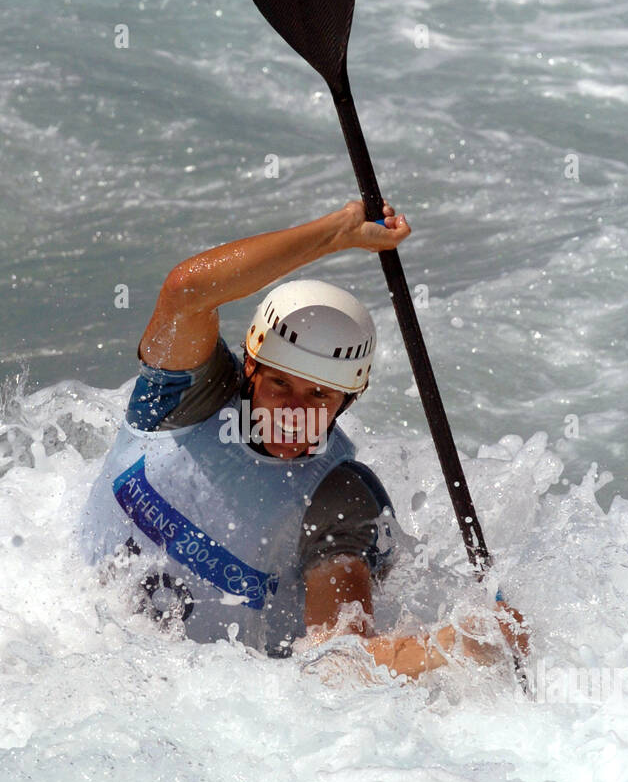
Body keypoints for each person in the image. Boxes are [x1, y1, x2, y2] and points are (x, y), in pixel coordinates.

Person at [80, 200, 529, 680]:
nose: (295, 412)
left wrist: (458, 643)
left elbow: (340, 662)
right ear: (249, 368)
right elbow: (186, 289)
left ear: (347, 401)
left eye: (319, 394)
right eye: (280, 385)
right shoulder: (186, 397)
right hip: (65, 632)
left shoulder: (337, 496)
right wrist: (337, 233)